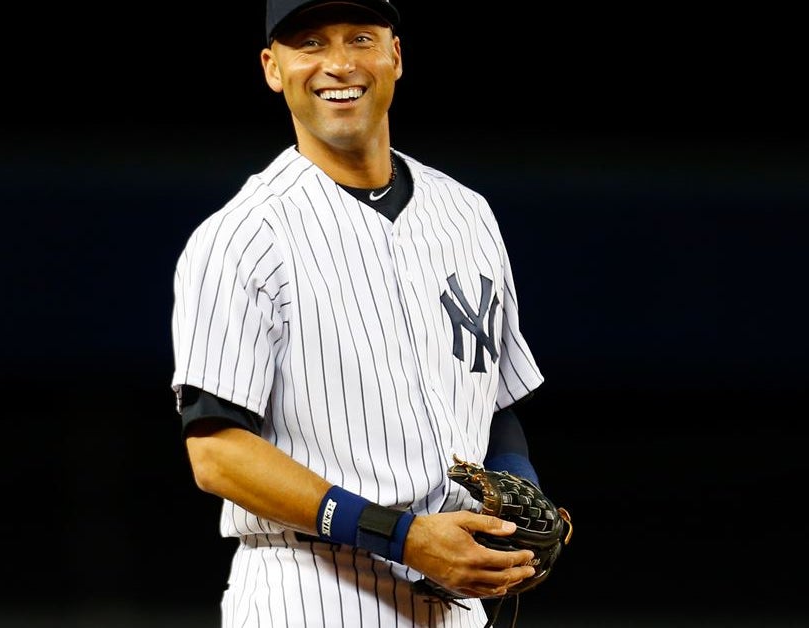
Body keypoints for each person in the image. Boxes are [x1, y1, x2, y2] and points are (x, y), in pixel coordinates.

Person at [169, 0, 553, 625]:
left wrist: (520, 496)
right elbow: (217, 454)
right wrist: (400, 536)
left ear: (395, 56)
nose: (339, 64)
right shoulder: (243, 236)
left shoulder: (466, 214)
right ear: (273, 68)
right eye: (310, 43)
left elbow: (493, 402)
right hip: (311, 593)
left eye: (360, 38)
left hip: (456, 599)